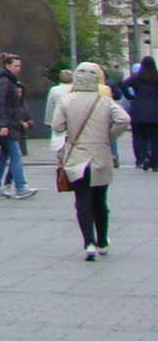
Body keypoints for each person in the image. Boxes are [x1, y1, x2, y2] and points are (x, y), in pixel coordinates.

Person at [49, 61, 130, 260]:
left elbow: (57, 126)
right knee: (100, 200)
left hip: (76, 156)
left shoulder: (66, 101)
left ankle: (88, 243)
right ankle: (102, 240)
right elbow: (124, 119)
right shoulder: (104, 101)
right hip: (100, 155)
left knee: (82, 201)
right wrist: (109, 137)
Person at [0, 53, 35, 197]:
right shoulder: (4, 82)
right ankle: (20, 186)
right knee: (16, 154)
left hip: (7, 123)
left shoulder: (6, 81)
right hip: (8, 124)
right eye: (16, 66)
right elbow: (0, 104)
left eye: (20, 66)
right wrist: (3, 125)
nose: (18, 69)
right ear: (7, 66)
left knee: (4, 156)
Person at [125, 57, 158, 171]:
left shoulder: (136, 78)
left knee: (139, 138)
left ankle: (141, 159)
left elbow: (123, 85)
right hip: (155, 112)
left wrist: (131, 97)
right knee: (155, 139)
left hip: (138, 110)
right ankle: (155, 162)